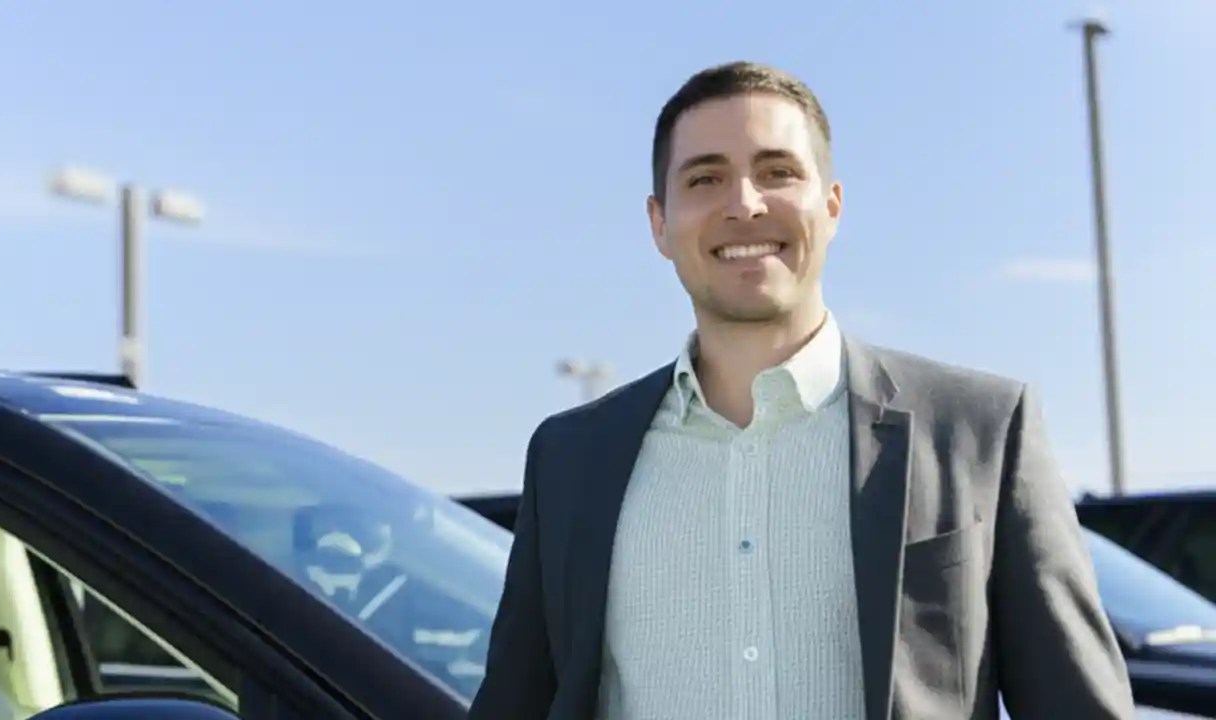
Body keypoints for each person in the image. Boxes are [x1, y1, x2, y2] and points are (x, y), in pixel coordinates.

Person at [468, 61, 1135, 720]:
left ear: (833, 205)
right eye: (706, 178)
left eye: (778, 172)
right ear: (659, 224)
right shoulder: (569, 460)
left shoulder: (982, 431)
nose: (745, 203)